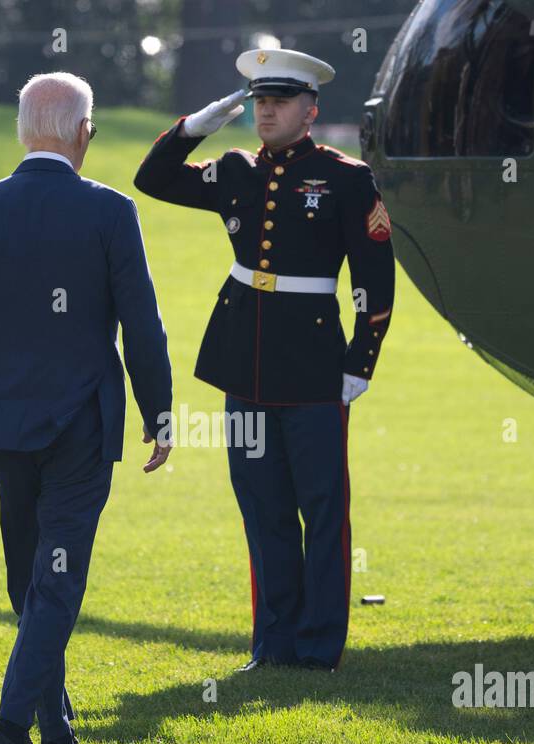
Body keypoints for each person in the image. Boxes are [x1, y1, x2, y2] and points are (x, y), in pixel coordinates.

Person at [0, 72, 173, 744]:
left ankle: (56, 727)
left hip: (3, 425)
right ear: (82, 132)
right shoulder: (110, 210)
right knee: (56, 577)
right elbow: (142, 325)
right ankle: (11, 729)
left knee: (30, 573)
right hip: (80, 425)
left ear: (22, 132)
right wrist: (158, 413)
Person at [134, 49, 394, 672]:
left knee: (322, 507)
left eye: (279, 101)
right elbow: (152, 179)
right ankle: (272, 644)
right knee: (262, 506)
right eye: (259, 101)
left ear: (311, 110)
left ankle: (318, 647)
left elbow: (374, 279)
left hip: (313, 364)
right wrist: (198, 124)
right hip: (242, 360)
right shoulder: (234, 169)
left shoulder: (347, 177)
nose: (266, 110)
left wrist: (362, 359)